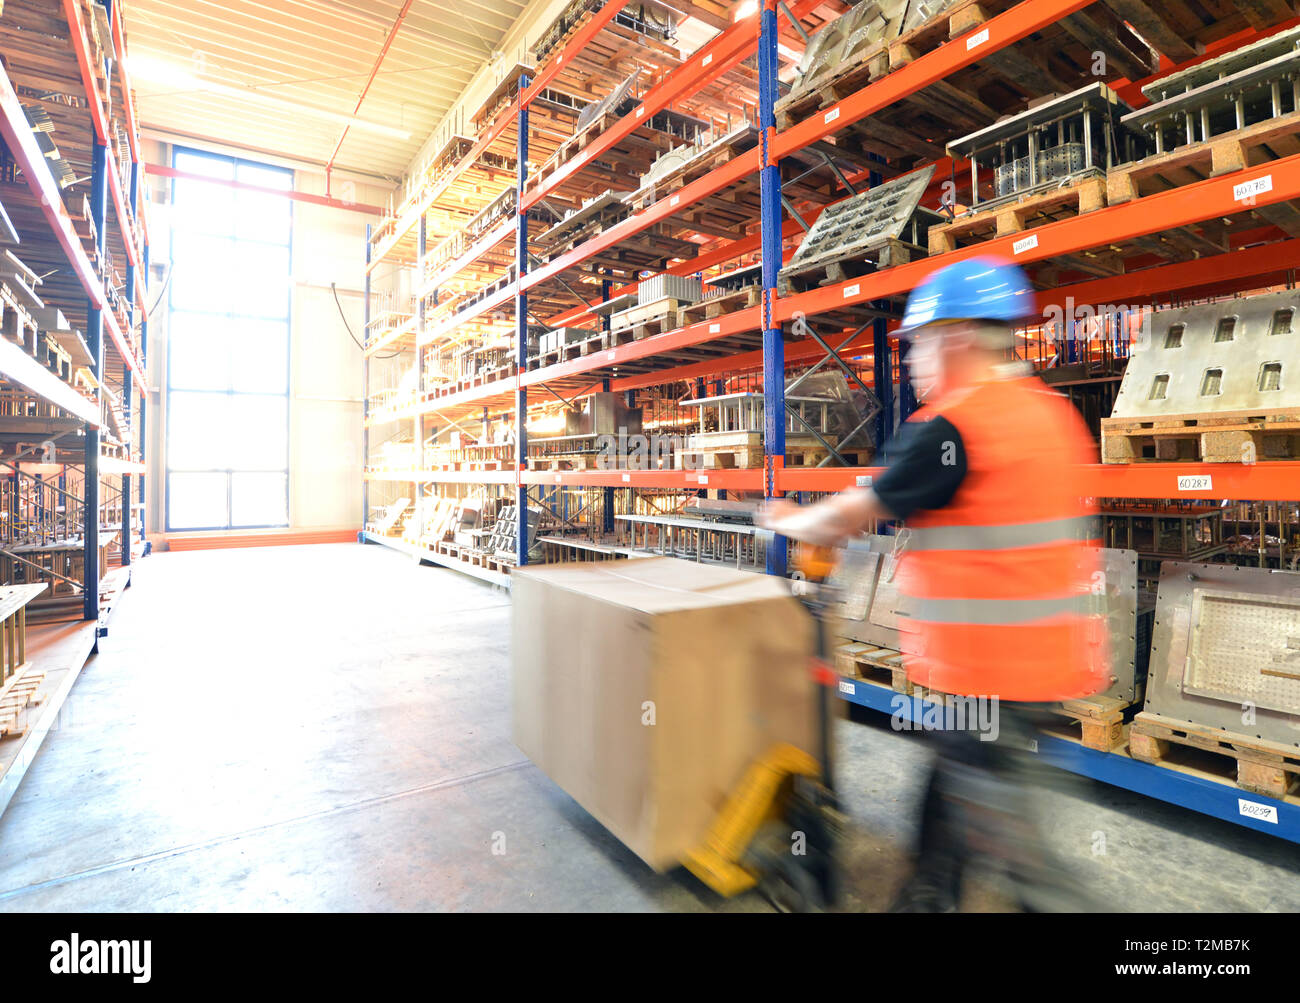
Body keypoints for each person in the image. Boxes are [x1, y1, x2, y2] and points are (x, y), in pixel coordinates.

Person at [759, 256, 1109, 912]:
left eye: (917, 343)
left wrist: (789, 517)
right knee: (951, 786)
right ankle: (925, 897)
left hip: (996, 671)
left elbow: (857, 511)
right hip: (1039, 663)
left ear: (955, 338)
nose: (914, 360)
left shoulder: (958, 424)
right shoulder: (1048, 413)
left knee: (1024, 862)